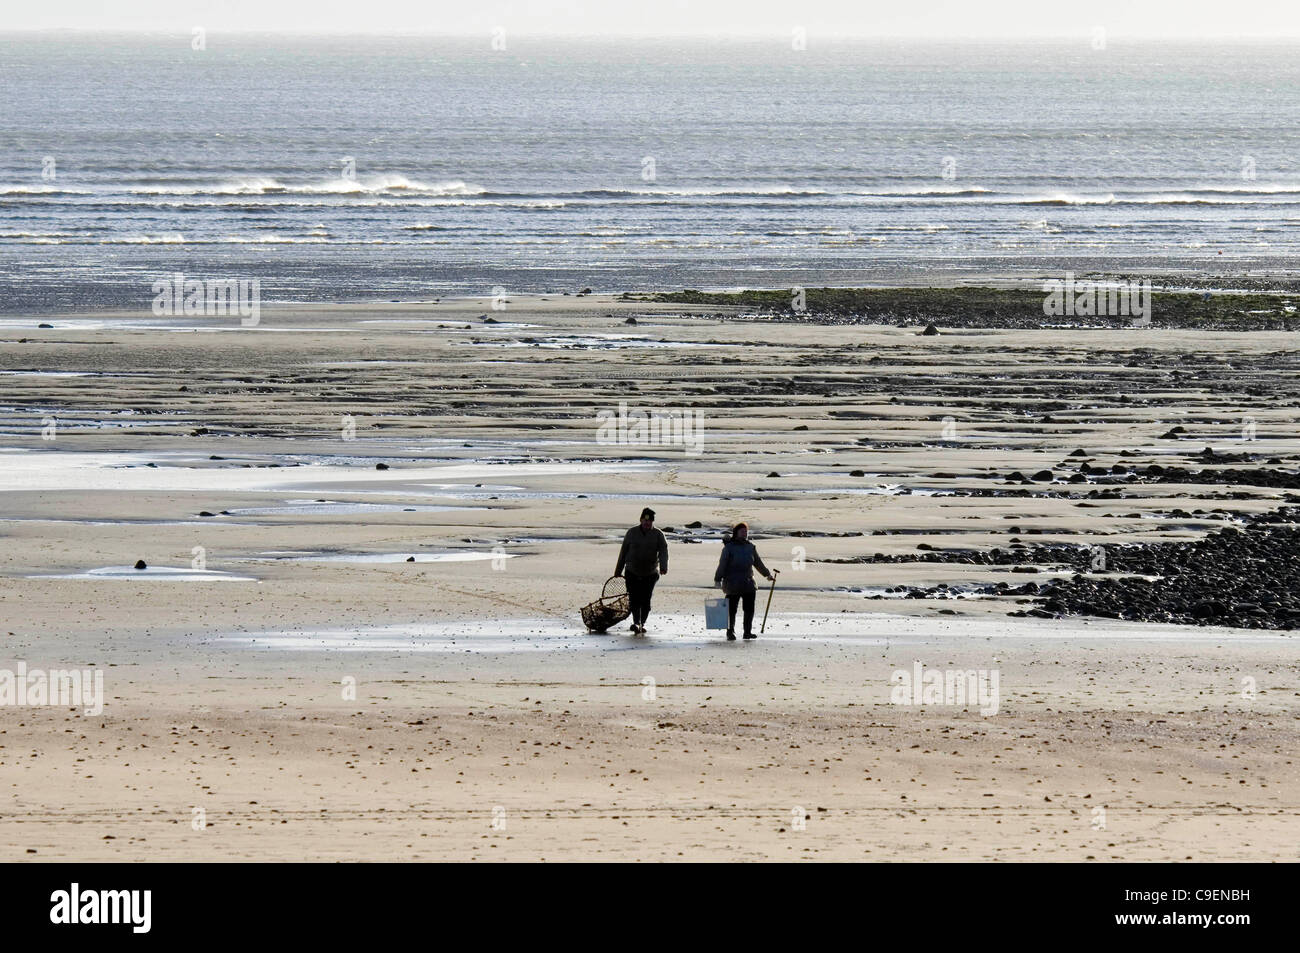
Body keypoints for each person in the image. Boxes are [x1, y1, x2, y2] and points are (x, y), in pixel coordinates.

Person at [714, 522, 773, 640]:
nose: (745, 533)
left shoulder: (750, 547)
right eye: (742, 531)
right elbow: (722, 565)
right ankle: (730, 632)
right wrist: (717, 579)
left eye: (746, 531)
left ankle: (747, 632)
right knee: (731, 610)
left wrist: (767, 574)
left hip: (748, 583)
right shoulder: (728, 548)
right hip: (732, 584)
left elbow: (758, 563)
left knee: (749, 609)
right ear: (736, 533)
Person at [614, 507, 668, 635]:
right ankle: (636, 622)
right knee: (634, 599)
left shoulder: (658, 534)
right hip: (631, 572)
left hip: (650, 573)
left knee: (646, 600)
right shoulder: (631, 533)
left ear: (652, 522)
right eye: (644, 521)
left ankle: (642, 623)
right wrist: (618, 570)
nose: (646, 523)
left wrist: (663, 566)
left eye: (649, 522)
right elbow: (623, 552)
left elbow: (664, 551)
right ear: (641, 520)